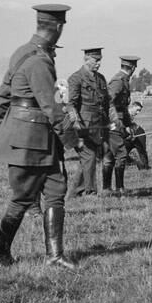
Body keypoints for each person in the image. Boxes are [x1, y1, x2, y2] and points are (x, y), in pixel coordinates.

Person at [0, 4, 78, 269]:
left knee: (55, 190)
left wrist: (4, 134)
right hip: (33, 143)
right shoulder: (39, 61)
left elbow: (2, 100)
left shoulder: (21, 53)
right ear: (59, 28)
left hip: (33, 141)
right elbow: (51, 107)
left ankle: (54, 256)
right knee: (23, 197)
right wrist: (72, 140)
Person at [65, 48, 110, 199]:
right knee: (89, 156)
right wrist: (76, 123)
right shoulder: (76, 78)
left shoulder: (101, 79)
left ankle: (74, 193)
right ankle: (90, 192)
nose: (99, 64)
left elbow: (105, 104)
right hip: (83, 125)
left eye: (100, 60)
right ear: (87, 59)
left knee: (89, 159)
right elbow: (71, 104)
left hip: (98, 125)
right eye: (96, 60)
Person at [103, 54, 139, 195]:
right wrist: (116, 121)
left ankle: (107, 189)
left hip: (117, 121)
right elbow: (108, 102)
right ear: (132, 67)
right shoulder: (118, 81)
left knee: (110, 156)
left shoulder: (124, 80)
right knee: (121, 154)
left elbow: (123, 106)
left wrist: (129, 123)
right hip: (113, 123)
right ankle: (119, 188)